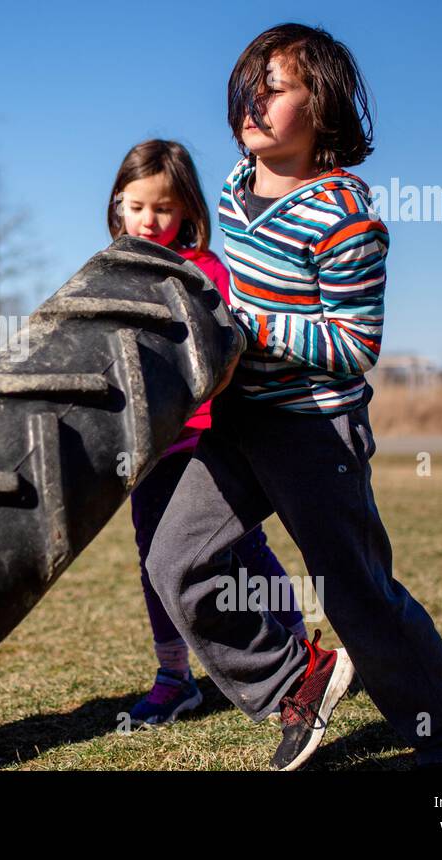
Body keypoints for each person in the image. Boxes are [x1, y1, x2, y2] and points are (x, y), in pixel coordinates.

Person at [146, 23, 442, 770]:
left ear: (321, 108)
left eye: (273, 87)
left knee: (356, 594)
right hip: (236, 421)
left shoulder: (346, 218)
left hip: (315, 432)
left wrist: (247, 324)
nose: (252, 101)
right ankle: (299, 680)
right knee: (175, 560)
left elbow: (354, 348)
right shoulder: (231, 187)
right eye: (245, 86)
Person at [107, 139, 309, 727]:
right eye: (138, 206)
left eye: (164, 209)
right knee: (155, 559)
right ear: (118, 205)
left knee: (241, 549)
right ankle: (175, 677)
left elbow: (226, 355)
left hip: (208, 443)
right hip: (149, 450)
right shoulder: (110, 278)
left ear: (189, 212)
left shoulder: (205, 274)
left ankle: (297, 655)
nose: (149, 220)